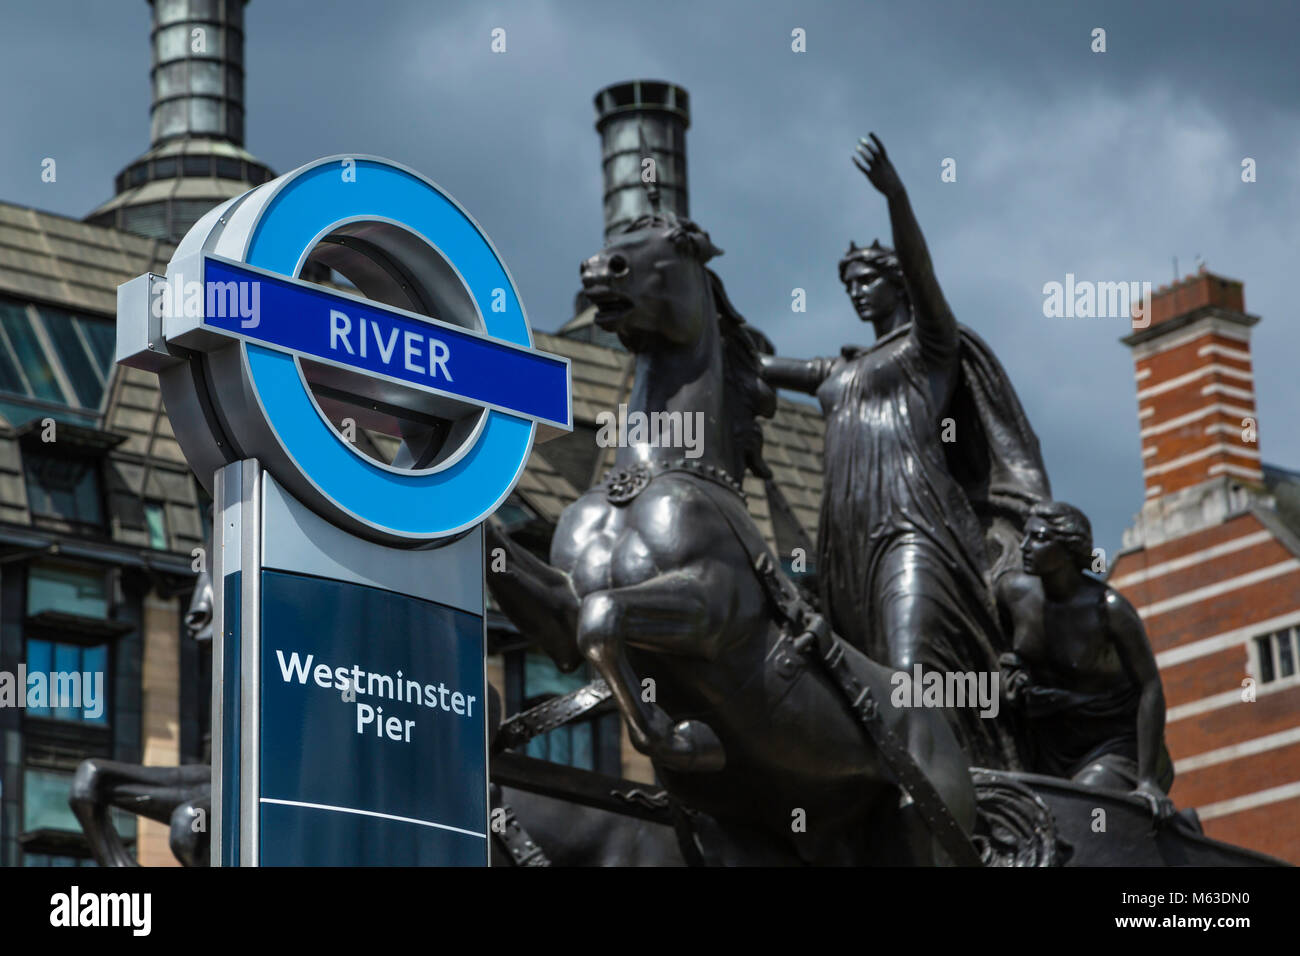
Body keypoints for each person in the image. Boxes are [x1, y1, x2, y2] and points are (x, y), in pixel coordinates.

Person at [761, 135, 1050, 769]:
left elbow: (924, 272)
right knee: (860, 682)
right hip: (848, 543)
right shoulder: (836, 369)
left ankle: (967, 800)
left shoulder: (929, 348)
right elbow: (754, 365)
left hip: (916, 527)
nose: (857, 293)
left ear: (895, 285)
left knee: (916, 667)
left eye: (868, 281)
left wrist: (896, 196)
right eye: (849, 286)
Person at [996, 500, 1175, 818]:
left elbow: (1150, 688)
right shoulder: (1013, 593)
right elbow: (996, 646)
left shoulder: (1109, 610)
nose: (1024, 546)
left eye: (1038, 538)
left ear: (1069, 549)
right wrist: (1012, 677)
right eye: (1026, 536)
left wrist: (1147, 780)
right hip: (1049, 747)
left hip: (1112, 746)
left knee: (1079, 812)